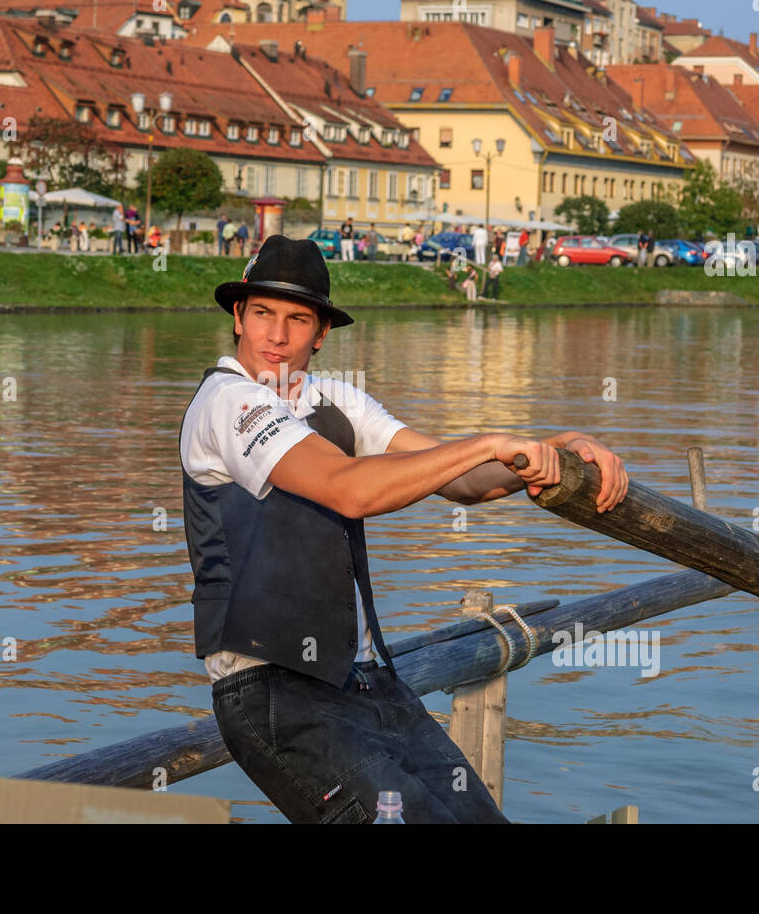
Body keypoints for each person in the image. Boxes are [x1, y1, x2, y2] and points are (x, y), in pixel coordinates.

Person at [181, 234, 629, 823]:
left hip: (367, 682)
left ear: (322, 334)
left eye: (298, 318)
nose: (277, 335)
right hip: (275, 691)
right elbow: (351, 488)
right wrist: (489, 442)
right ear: (237, 318)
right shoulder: (228, 401)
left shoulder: (336, 401)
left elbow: (464, 479)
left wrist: (554, 449)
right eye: (262, 313)